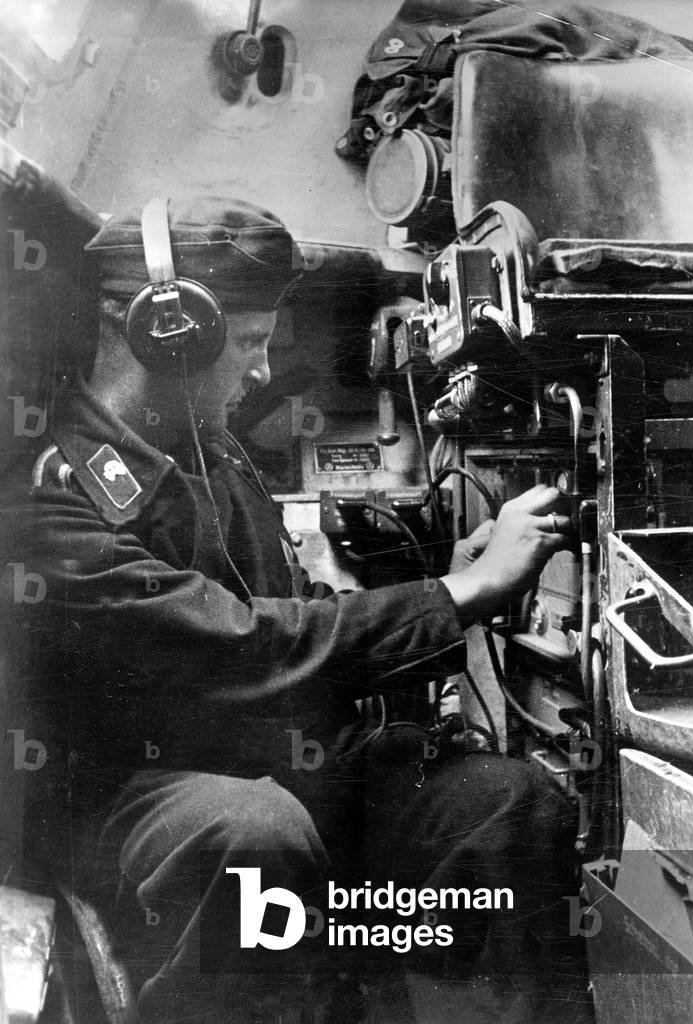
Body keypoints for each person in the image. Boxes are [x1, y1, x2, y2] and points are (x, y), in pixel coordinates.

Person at [5, 195, 587, 1024]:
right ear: (170, 336)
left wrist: (453, 589)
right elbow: (237, 649)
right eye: (249, 343)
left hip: (274, 763)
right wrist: (459, 595)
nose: (263, 371)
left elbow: (297, 608)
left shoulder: (219, 460)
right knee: (254, 831)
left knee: (503, 800)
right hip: (132, 794)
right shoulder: (46, 506)